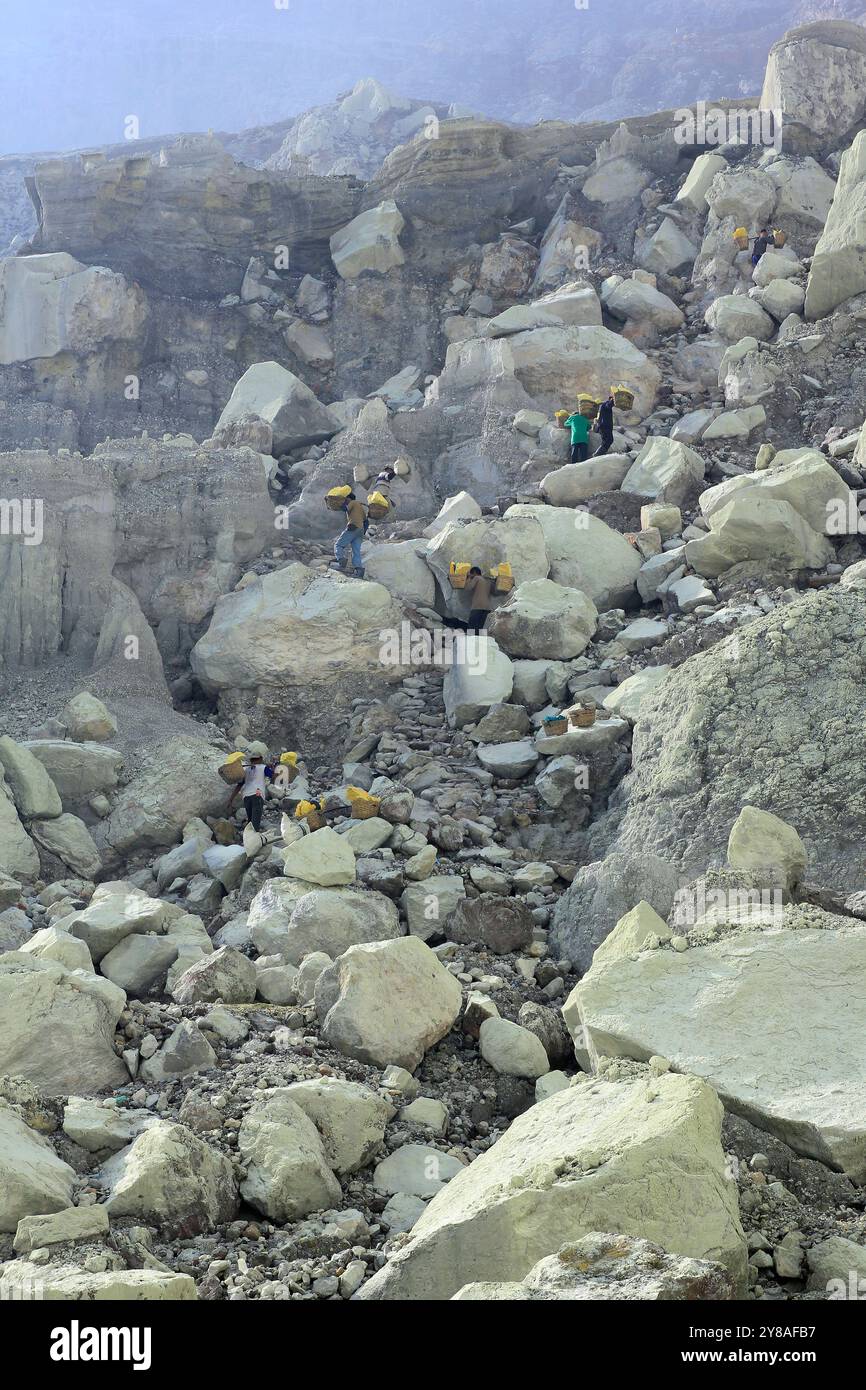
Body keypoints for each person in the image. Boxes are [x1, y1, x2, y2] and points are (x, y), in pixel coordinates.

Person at [228, 752, 275, 833]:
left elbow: (239, 786)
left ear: (251, 760)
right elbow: (273, 778)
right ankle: (253, 840)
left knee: (250, 821)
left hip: (246, 796)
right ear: (260, 759)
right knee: (255, 822)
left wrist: (231, 799)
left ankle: (248, 837)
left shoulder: (246, 770)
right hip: (257, 794)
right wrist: (274, 770)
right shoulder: (263, 767)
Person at [332, 491, 368, 576]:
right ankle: (359, 571)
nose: (345, 500)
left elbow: (345, 509)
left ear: (349, 498)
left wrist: (340, 503)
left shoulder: (352, 502)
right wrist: (363, 532)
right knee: (356, 551)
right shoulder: (360, 506)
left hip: (353, 527)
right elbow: (366, 521)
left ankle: (341, 562)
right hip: (360, 530)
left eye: (345, 498)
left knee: (338, 545)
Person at [465, 566, 494, 632]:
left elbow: (468, 587)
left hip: (477, 607)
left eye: (471, 573)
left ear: (474, 573)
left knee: (472, 628)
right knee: (479, 628)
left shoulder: (477, 578)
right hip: (487, 608)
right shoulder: (488, 580)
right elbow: (494, 592)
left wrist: (469, 577)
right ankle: (479, 642)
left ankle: (471, 642)